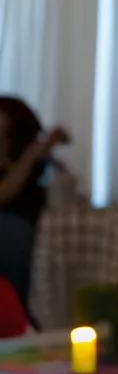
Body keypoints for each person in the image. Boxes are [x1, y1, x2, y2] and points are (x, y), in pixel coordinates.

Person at [0, 99, 69, 310]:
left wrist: (47, 146)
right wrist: (28, 158)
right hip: (12, 229)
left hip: (34, 225)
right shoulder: (26, 161)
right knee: (13, 233)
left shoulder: (31, 159)